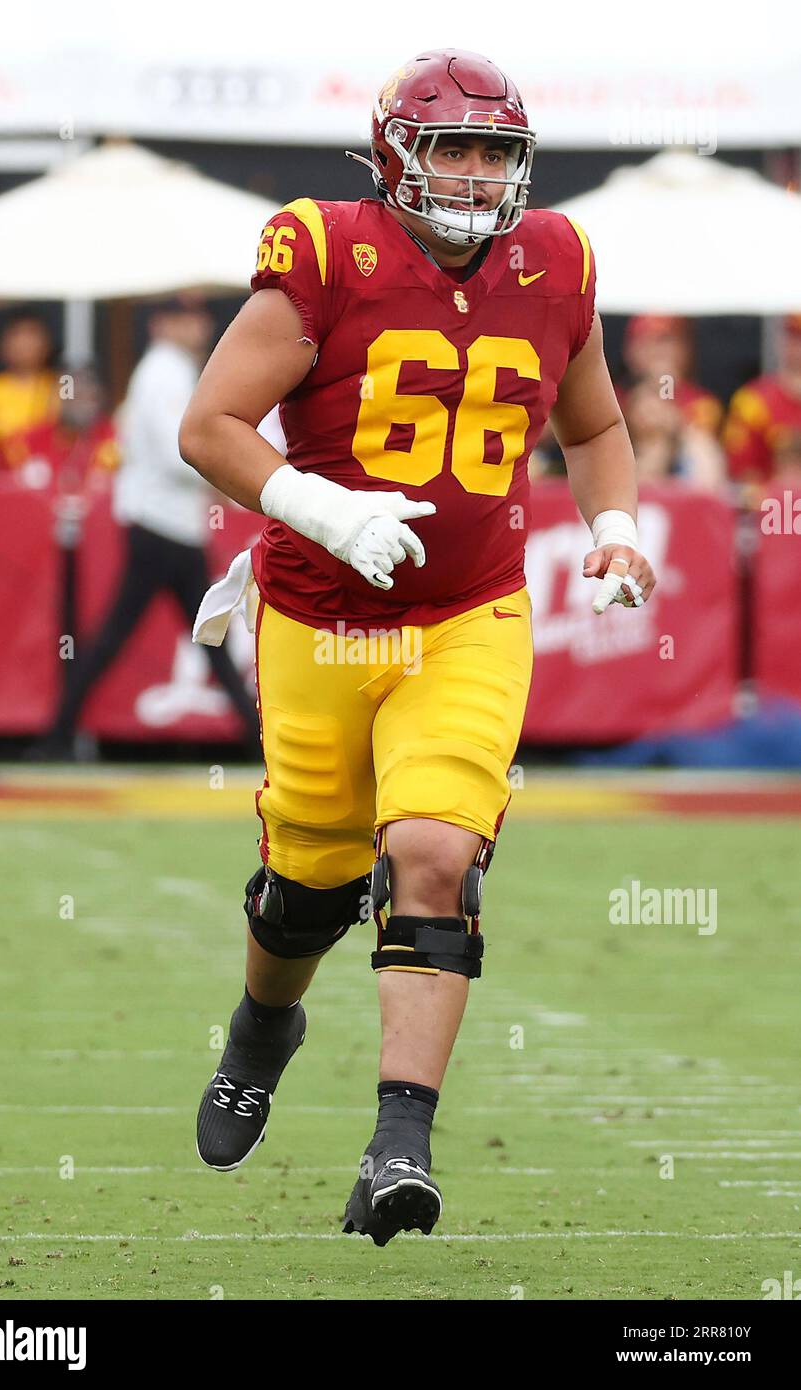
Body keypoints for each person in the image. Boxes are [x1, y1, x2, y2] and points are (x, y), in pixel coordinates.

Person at [179, 48, 657, 1246]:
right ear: (395, 151)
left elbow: (592, 424)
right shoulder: (327, 252)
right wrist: (321, 507)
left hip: (468, 613)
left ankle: (401, 1138)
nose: (476, 171)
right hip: (318, 618)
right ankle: (260, 1026)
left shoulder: (554, 260)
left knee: (436, 851)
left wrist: (612, 525)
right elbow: (210, 425)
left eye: (496, 150)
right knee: (308, 885)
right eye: (453, 146)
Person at [37, 296, 260, 758]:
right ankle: (253, 738)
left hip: (166, 522)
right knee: (191, 633)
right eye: (186, 317)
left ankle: (58, 735)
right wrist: (223, 477)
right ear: (162, 323)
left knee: (194, 633)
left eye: (199, 317)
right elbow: (180, 447)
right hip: (163, 524)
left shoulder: (164, 369)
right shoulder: (165, 370)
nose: (198, 326)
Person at [723, 314, 801, 487]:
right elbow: (741, 474)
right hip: (773, 507)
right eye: (795, 337)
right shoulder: (753, 401)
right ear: (781, 340)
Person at [0, 314, 59, 468]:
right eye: (17, 336)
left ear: (46, 344)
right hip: (3, 470)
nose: (24, 344)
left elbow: (71, 427)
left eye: (32, 335)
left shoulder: (63, 383)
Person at [619, 314, 722, 435]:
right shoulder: (612, 398)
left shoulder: (703, 403)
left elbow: (703, 446)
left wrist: (664, 386)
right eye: (643, 341)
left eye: (663, 340)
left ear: (684, 348)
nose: (653, 350)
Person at [623, 381, 725, 491]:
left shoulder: (695, 443)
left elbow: (708, 484)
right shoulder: (624, 449)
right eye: (644, 409)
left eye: (656, 409)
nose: (650, 417)